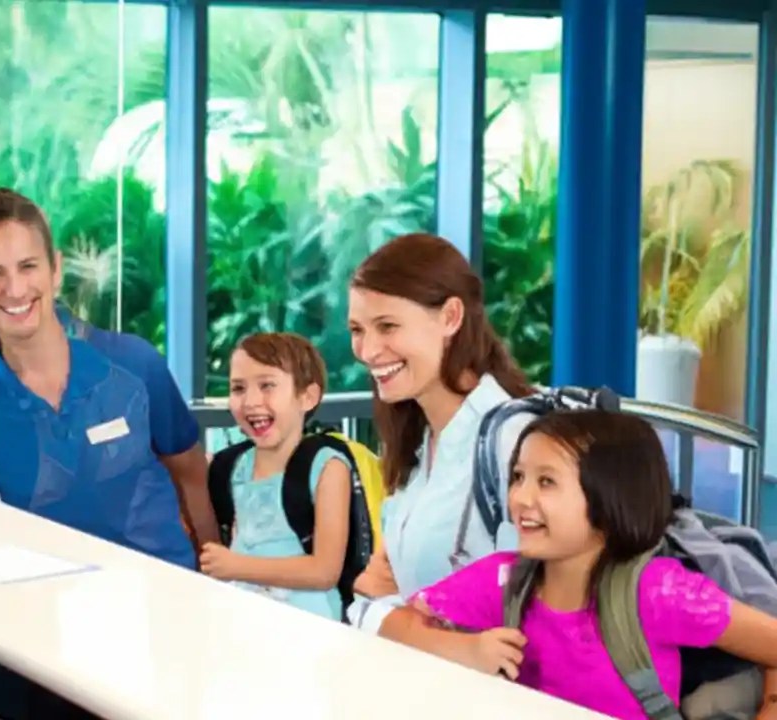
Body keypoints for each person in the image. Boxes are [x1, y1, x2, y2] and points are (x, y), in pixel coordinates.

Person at [379, 410, 777, 720]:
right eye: (518, 477)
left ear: (610, 498)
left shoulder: (660, 593)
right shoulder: (505, 579)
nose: (519, 497)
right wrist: (466, 649)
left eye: (546, 482)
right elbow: (393, 624)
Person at [0, 187, 218, 570]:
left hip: (169, 599)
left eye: (28, 266)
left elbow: (191, 477)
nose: (15, 289)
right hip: (51, 613)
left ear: (56, 269)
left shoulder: (135, 363)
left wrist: (217, 587)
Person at [345, 232, 535, 631]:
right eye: (358, 330)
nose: (368, 350)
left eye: (387, 326)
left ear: (450, 316)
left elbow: (535, 608)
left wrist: (390, 618)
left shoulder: (516, 440)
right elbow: (379, 585)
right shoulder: (416, 439)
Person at [198, 333, 352, 621]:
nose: (251, 401)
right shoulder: (233, 467)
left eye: (267, 385)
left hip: (309, 630)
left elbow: (324, 571)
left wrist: (236, 566)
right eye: (238, 388)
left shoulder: (326, 467)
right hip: (244, 623)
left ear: (307, 397)